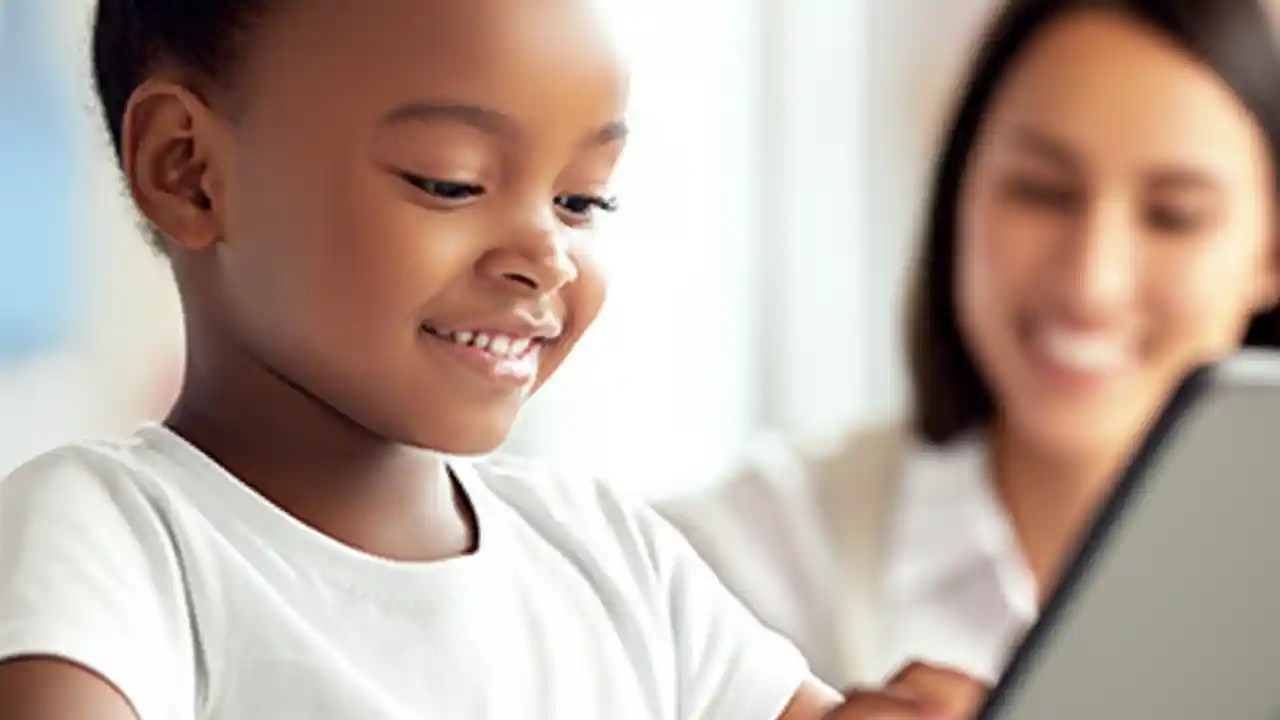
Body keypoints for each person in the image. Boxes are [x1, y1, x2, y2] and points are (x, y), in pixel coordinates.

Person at [0, 1, 975, 718]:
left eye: (580, 200)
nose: (546, 255)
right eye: (451, 182)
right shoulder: (110, 540)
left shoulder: (608, 556)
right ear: (189, 169)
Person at [661, 0, 1280, 696]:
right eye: (1041, 192)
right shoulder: (729, 567)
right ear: (958, 196)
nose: (1091, 282)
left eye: (1174, 217)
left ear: (1272, 253)